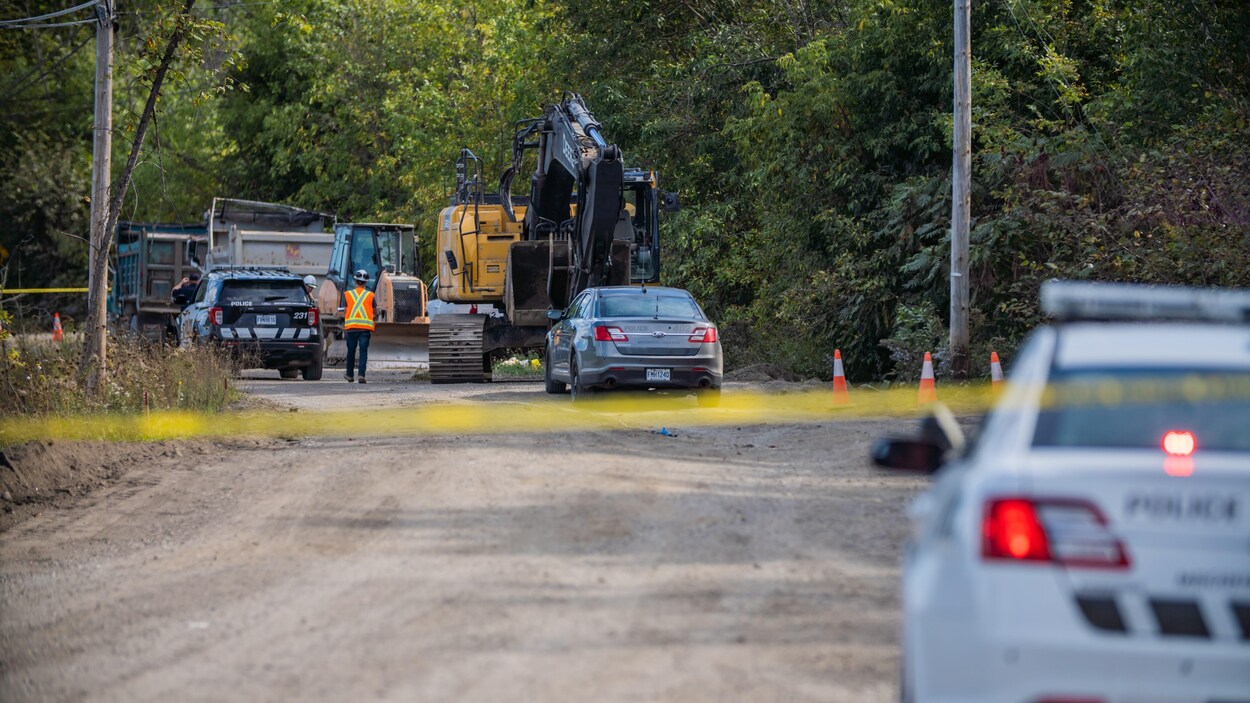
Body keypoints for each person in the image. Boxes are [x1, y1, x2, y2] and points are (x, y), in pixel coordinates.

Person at [343, 269, 374, 384]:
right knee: (363, 351)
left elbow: (345, 310)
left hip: (351, 328)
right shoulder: (370, 295)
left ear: (355, 281)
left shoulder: (347, 294)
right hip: (365, 328)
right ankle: (361, 375)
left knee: (351, 351)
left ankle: (350, 375)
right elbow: (374, 310)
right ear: (365, 282)